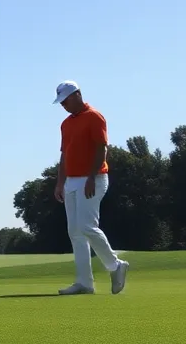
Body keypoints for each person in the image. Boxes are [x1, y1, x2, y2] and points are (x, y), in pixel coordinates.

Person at [53, 82, 130, 295]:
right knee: (75, 232)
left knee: (87, 226)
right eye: (61, 103)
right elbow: (64, 155)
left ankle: (116, 265)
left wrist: (90, 177)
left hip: (94, 179)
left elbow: (101, 148)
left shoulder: (95, 116)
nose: (64, 106)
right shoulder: (66, 124)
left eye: (66, 101)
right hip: (71, 181)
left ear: (77, 95)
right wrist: (60, 182)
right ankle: (84, 283)